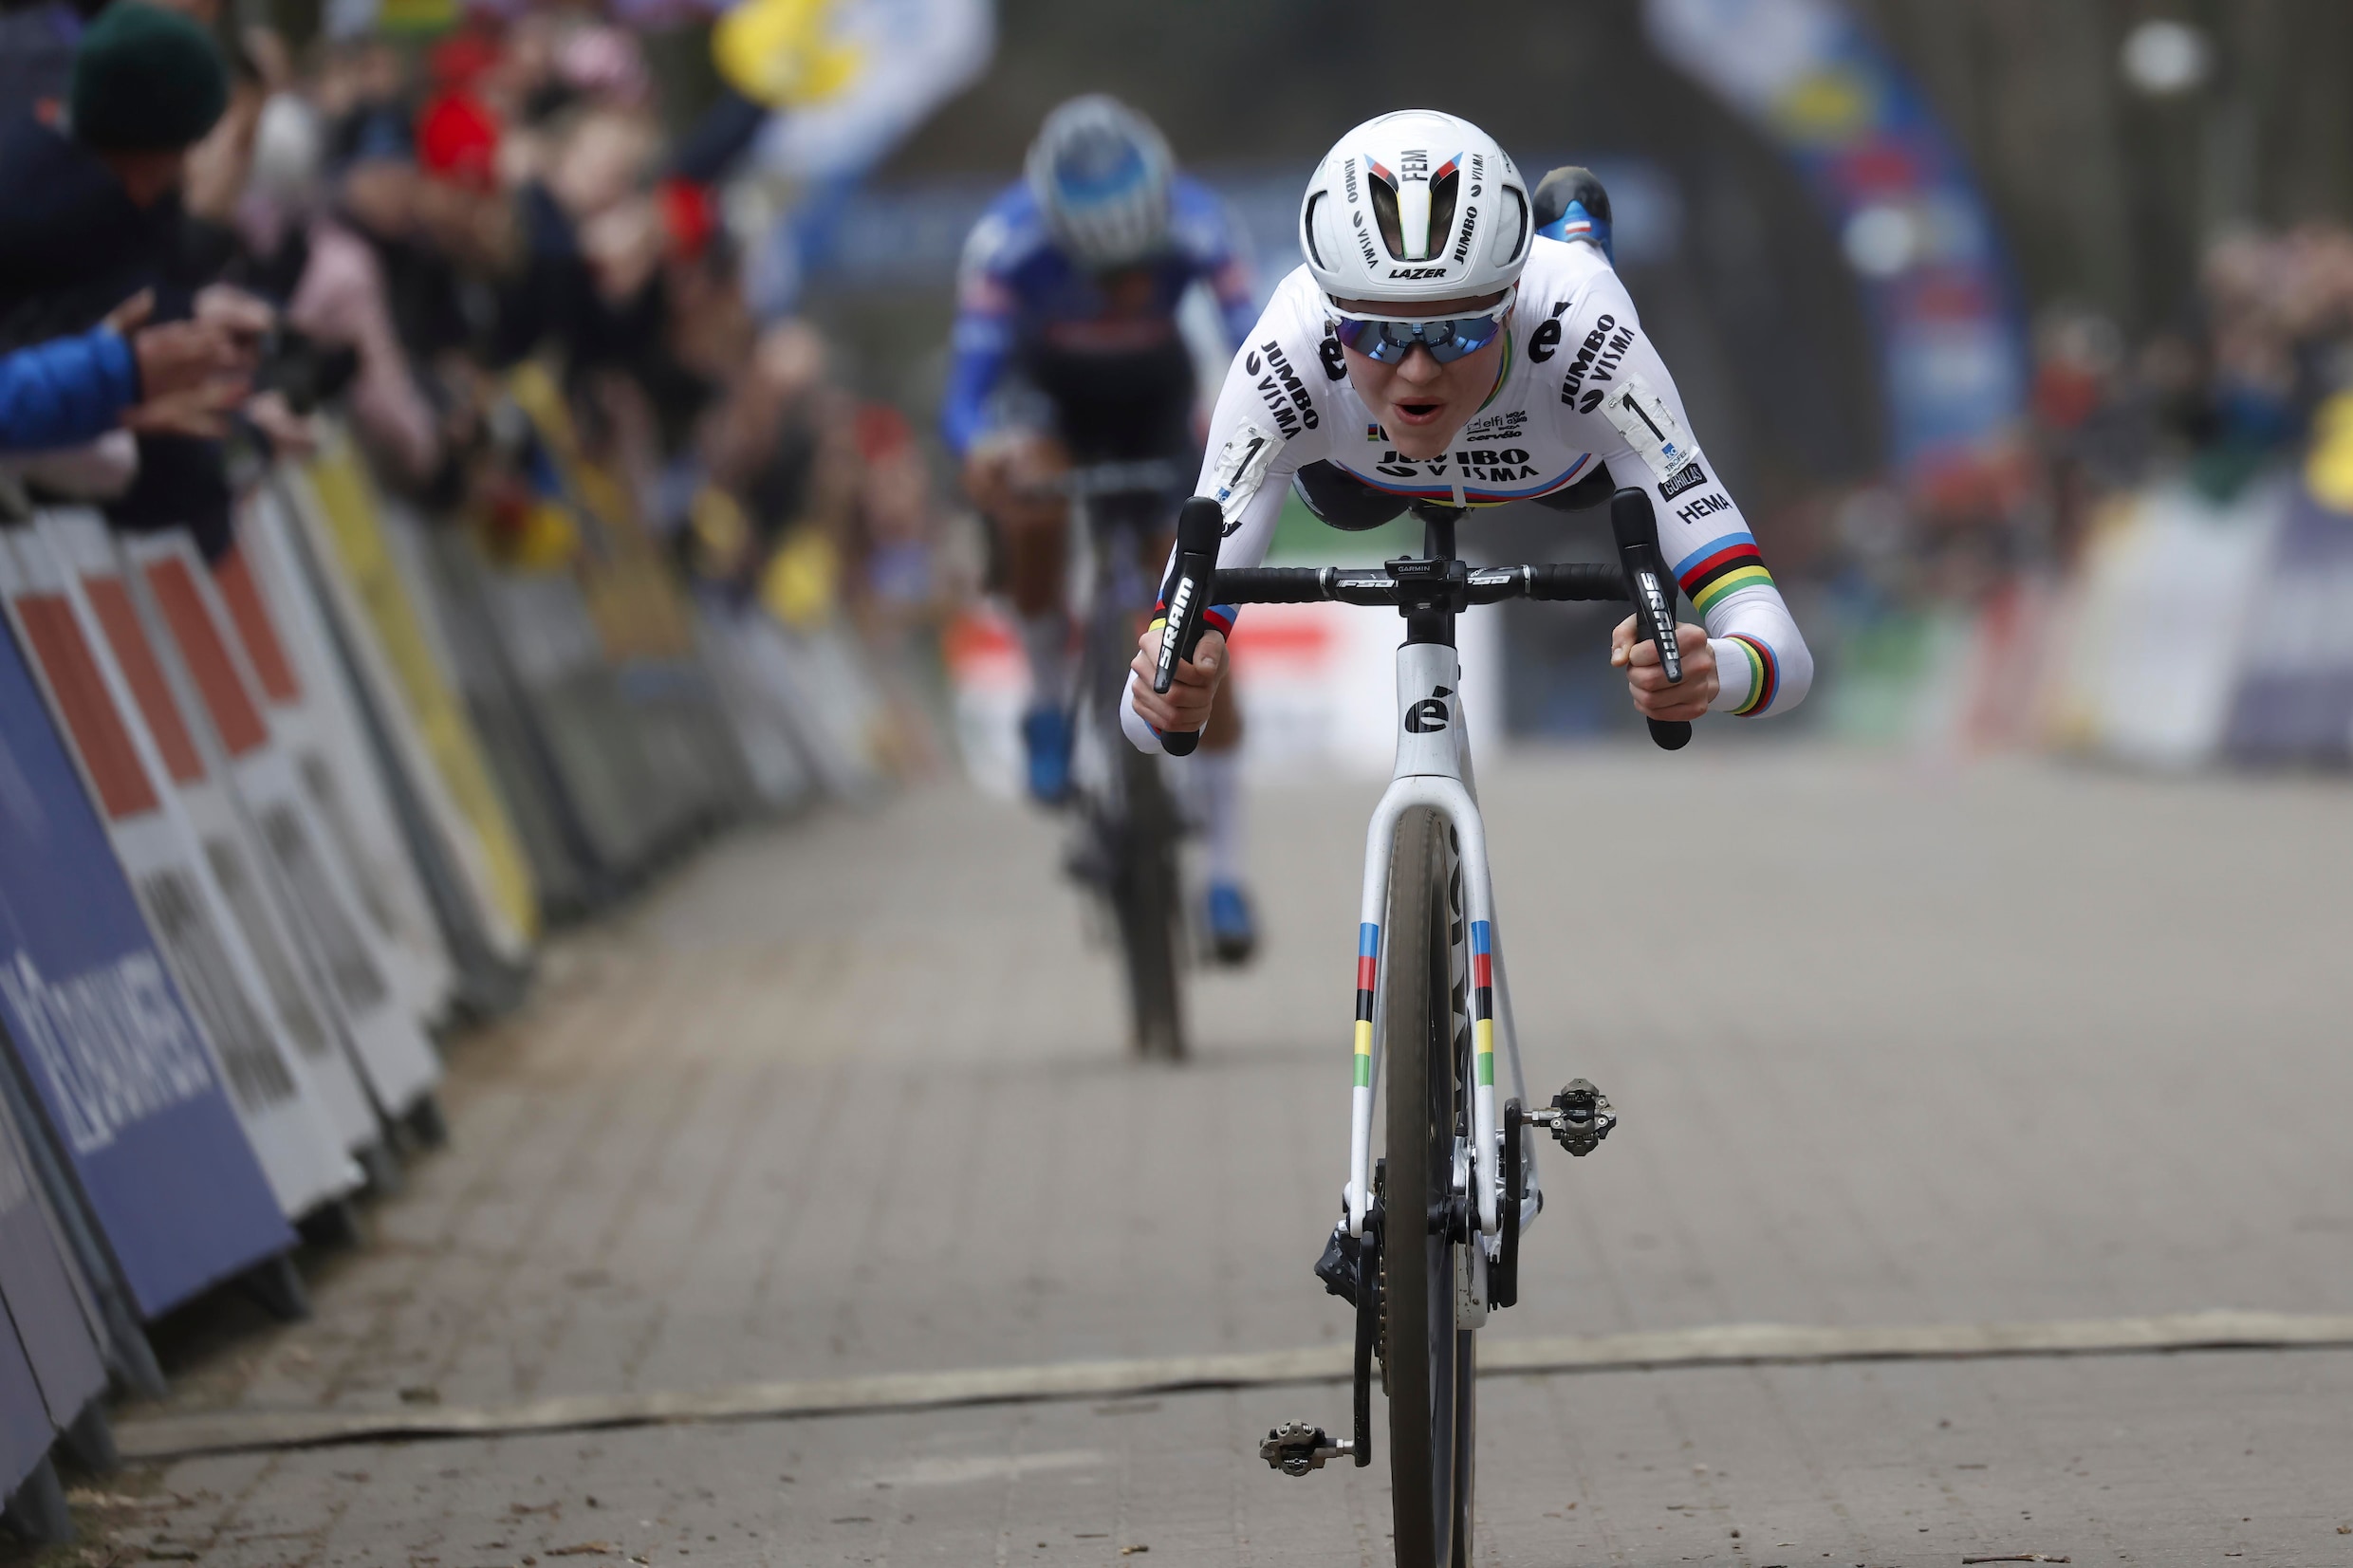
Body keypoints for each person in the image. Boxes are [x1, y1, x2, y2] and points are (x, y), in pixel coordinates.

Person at [1124, 108, 1811, 754]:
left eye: (1457, 327)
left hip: (1561, 470)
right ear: (1332, 311)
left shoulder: (1591, 342)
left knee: (1593, 450)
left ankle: (1576, 247)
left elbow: (1779, 646)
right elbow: (1141, 714)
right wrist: (1166, 691)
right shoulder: (1287, 350)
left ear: (1513, 299)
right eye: (1380, 332)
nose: (1418, 372)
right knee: (1335, 497)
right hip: (1357, 483)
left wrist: (1714, 668)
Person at [942, 93, 1263, 961]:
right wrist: (985, 454)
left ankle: (1227, 875)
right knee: (1032, 494)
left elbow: (1259, 350)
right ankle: (1046, 705)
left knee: (1199, 606)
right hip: (1054, 404)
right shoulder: (1007, 246)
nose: (1123, 280)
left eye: (1136, 265)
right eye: (1101, 267)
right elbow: (965, 400)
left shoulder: (1201, 226)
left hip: (1158, 403)